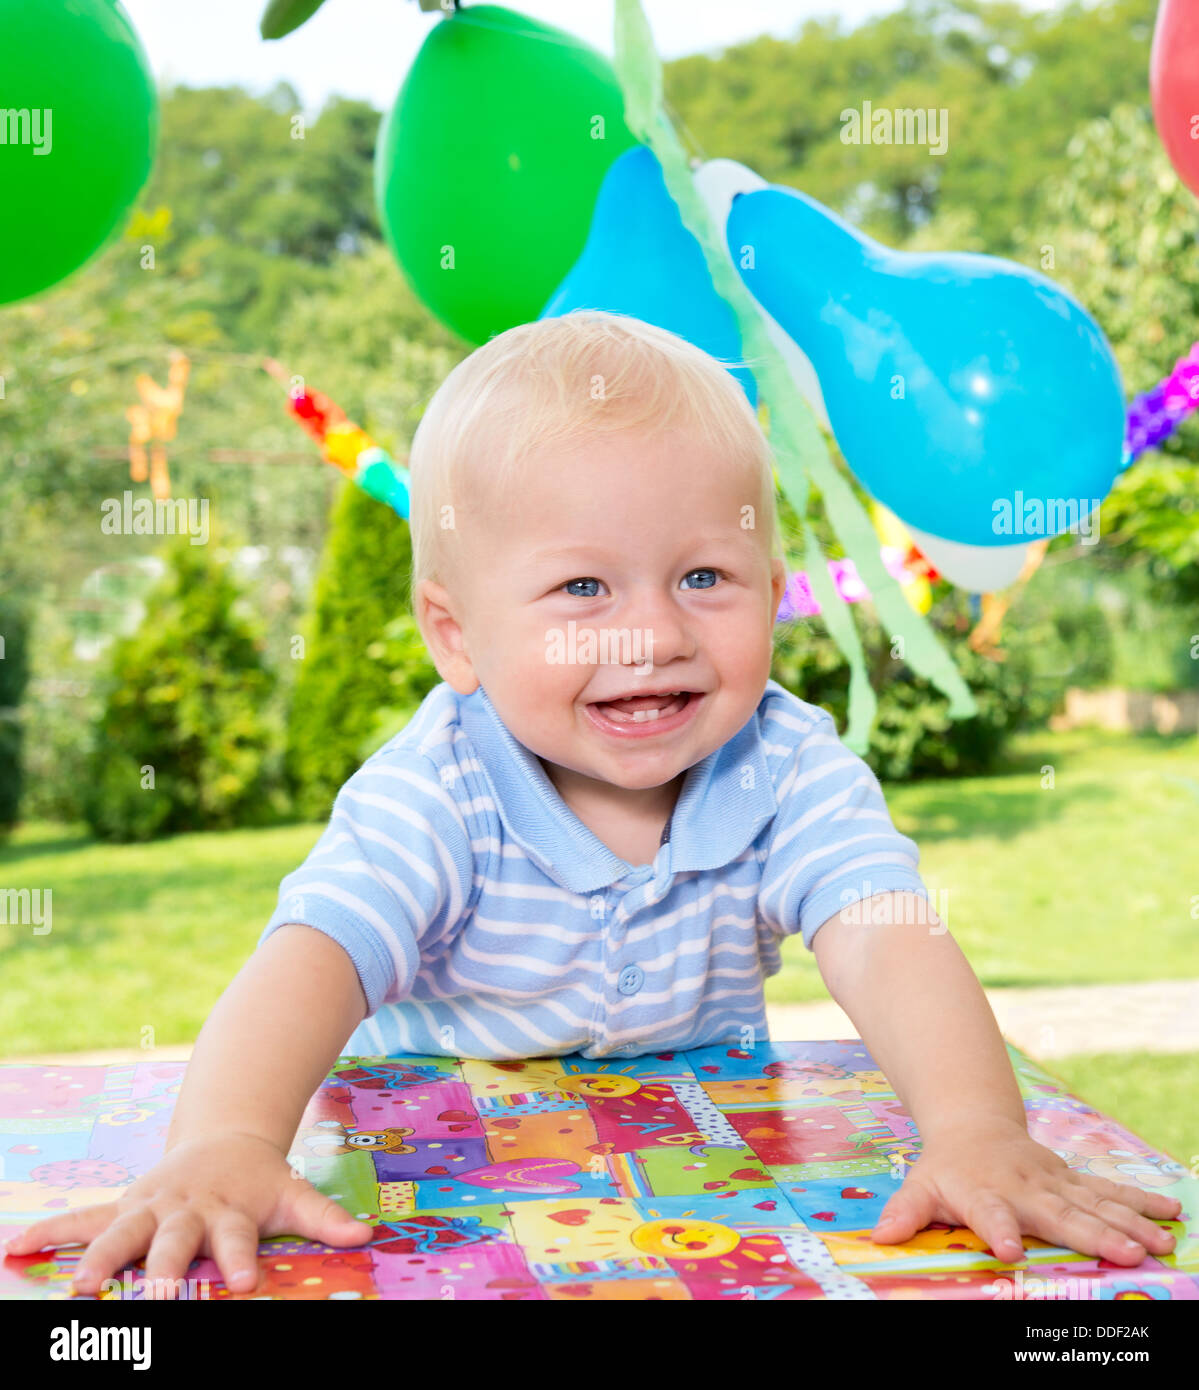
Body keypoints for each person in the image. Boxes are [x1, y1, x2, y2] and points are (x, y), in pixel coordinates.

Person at [6, 311, 1179, 1297]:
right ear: (455, 634)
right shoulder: (438, 786)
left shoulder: (785, 762)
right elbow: (313, 956)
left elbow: (885, 937)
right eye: (580, 586)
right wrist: (225, 1146)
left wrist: (974, 1127)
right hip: (439, 1191)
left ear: (776, 596)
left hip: (704, 1195)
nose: (650, 633)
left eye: (703, 578)